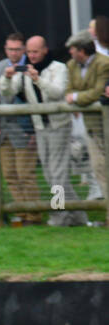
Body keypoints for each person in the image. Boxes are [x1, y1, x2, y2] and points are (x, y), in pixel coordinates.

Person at [7, 36, 78, 225]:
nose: (32, 55)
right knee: (50, 174)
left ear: (45, 50)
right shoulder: (25, 71)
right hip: (40, 128)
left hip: (59, 126)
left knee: (57, 174)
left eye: (35, 52)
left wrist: (37, 79)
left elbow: (57, 92)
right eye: (29, 52)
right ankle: (78, 216)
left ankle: (60, 216)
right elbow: (8, 92)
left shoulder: (58, 68)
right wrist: (7, 77)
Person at [0, 32, 41, 225]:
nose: (13, 53)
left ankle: (36, 214)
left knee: (26, 174)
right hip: (4, 129)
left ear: (23, 49)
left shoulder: (32, 66)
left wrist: (32, 131)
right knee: (10, 175)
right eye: (9, 49)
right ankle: (22, 215)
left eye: (17, 49)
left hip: (25, 129)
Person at [64, 31, 109, 205]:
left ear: (82, 50)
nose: (70, 53)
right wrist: (74, 96)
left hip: (100, 124)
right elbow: (67, 90)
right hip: (87, 126)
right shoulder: (71, 66)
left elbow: (98, 92)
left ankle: (61, 209)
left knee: (103, 168)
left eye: (73, 49)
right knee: (98, 169)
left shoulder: (103, 63)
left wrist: (75, 98)